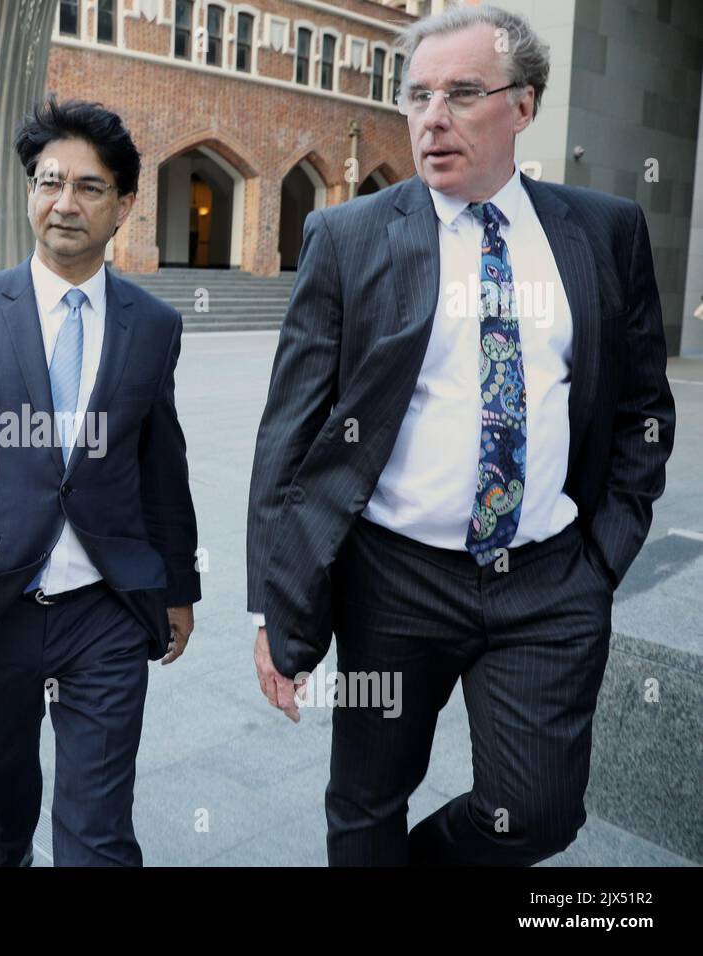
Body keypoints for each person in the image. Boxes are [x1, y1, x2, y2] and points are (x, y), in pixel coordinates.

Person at [245, 6, 675, 866]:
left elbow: (641, 410)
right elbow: (290, 434)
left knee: (540, 813)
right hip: (391, 581)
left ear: (523, 105)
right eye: (417, 96)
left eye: (463, 93)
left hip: (549, 581)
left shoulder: (604, 231)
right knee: (366, 805)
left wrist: (603, 558)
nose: (432, 117)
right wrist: (278, 608)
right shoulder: (349, 235)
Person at [0, 96, 201, 866]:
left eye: (89, 187)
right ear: (31, 192)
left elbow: (162, 463)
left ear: (124, 205)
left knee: (98, 831)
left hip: (108, 611)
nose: (65, 202)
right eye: (49, 181)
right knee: (1, 800)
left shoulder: (152, 326)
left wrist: (178, 585)